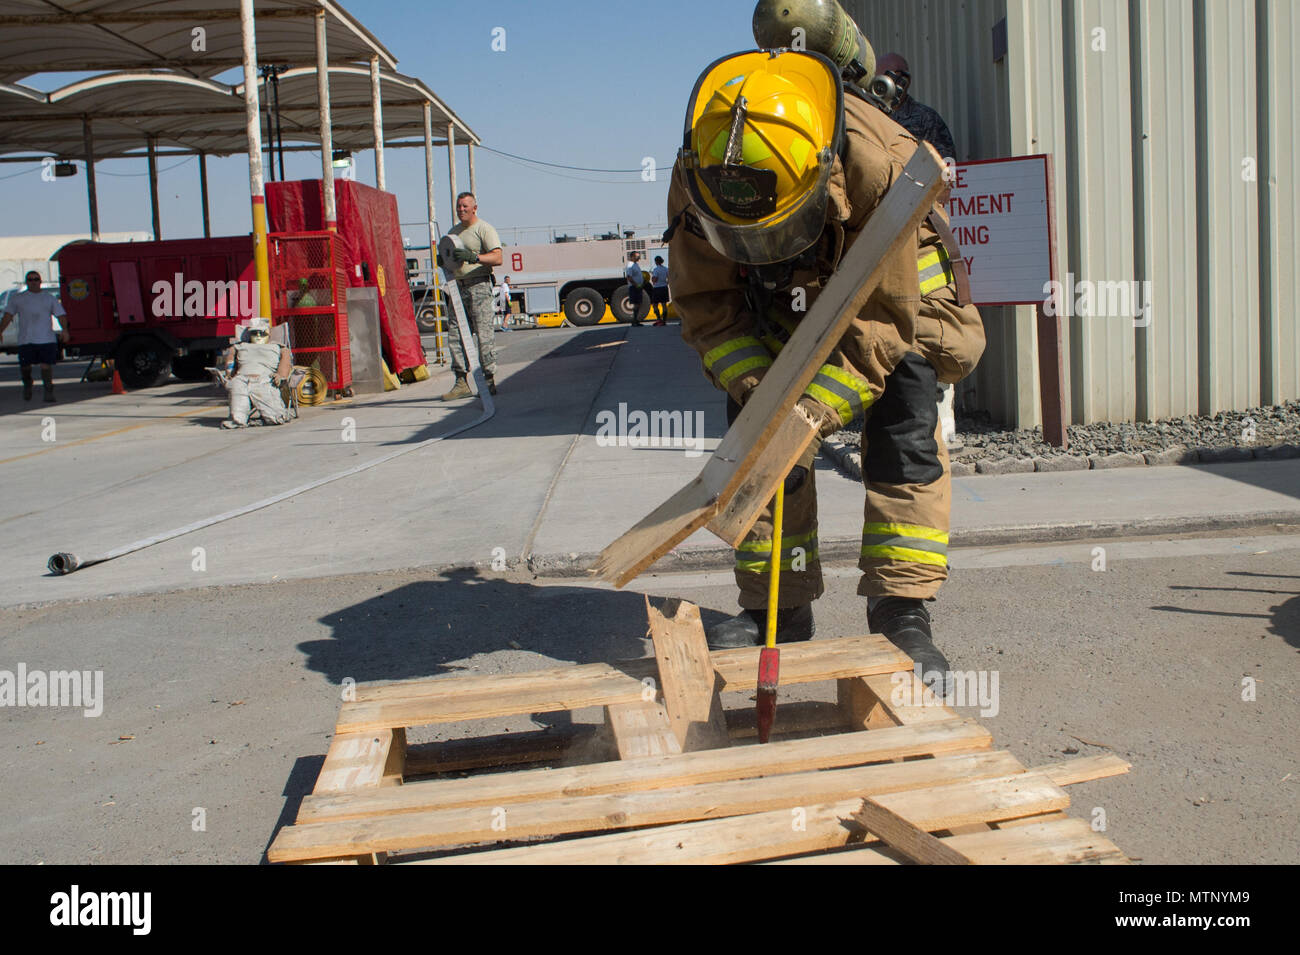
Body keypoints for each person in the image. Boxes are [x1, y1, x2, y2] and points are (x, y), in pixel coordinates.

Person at [665, 44, 984, 695]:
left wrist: (810, 412)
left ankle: (901, 611)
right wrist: (762, 395)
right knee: (759, 438)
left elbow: (881, 326)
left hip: (897, 296)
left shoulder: (884, 163)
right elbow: (706, 302)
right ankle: (778, 607)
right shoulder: (703, 167)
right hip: (781, 296)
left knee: (904, 427)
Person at [442, 192, 503, 398]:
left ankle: (488, 380)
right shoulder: (453, 233)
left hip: (479, 285)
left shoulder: (484, 229)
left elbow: (498, 257)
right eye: (459, 206)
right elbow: (448, 256)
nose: (461, 209)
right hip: (457, 287)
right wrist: (444, 260)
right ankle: (461, 382)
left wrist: (474, 257)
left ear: (474, 208)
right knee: (456, 336)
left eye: (465, 206)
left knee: (484, 335)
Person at [875, 53, 956, 166]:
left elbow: (945, 165)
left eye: (888, 78)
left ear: (905, 81)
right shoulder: (870, 115)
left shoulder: (926, 119)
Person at [1, 271, 66, 402]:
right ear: (27, 282)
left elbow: (60, 315)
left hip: (46, 339)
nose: (33, 282)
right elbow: (8, 315)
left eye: (36, 279)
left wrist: (65, 330)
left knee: (46, 366)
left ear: (40, 281)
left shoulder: (49, 298)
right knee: (25, 367)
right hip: (26, 340)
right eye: (30, 280)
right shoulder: (18, 298)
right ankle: (27, 384)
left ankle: (48, 391)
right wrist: (0, 330)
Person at [219, 317, 293, 429]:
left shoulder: (278, 348)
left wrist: (280, 375)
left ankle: (275, 415)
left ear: (268, 333)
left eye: (262, 333)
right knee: (237, 397)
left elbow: (285, 363)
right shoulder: (239, 347)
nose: (258, 336)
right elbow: (230, 362)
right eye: (254, 333)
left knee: (274, 417)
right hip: (241, 379)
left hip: (265, 379)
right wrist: (229, 375)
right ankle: (238, 420)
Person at [624, 251, 646, 326]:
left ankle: (636, 320)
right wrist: (636, 285)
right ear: (632, 257)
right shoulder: (630, 265)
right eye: (637, 256)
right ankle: (634, 321)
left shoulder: (635, 264)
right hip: (634, 287)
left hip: (638, 286)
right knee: (636, 304)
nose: (639, 258)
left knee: (639, 303)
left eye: (639, 256)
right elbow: (629, 277)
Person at [649, 255, 670, 326]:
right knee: (664, 305)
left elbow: (655, 280)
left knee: (655, 305)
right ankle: (664, 320)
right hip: (664, 288)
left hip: (657, 288)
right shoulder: (666, 269)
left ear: (656, 262)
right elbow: (669, 278)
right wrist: (666, 283)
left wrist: (652, 277)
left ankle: (658, 319)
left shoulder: (656, 269)